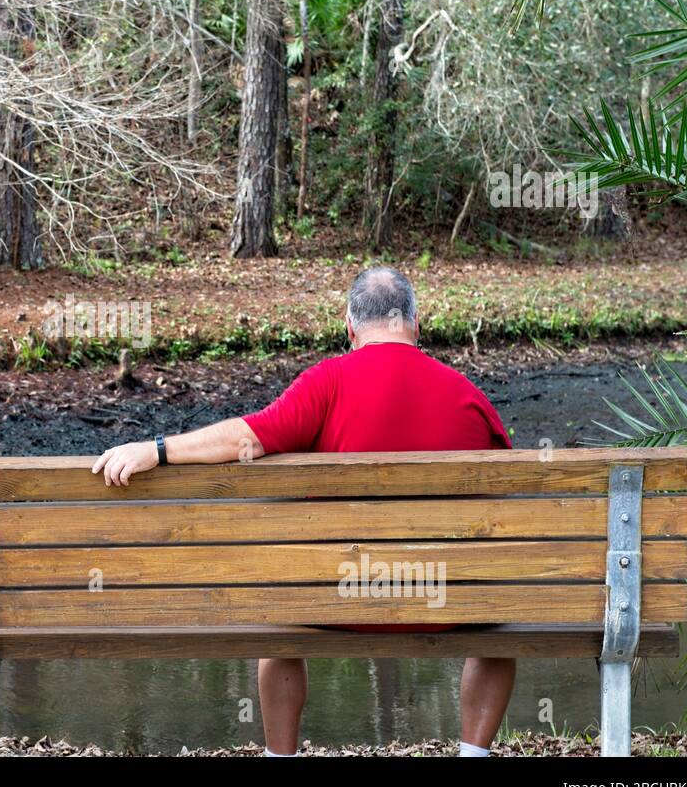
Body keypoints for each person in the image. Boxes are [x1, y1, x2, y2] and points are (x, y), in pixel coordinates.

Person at [91, 266, 515, 757]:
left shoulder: (328, 383)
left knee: (282, 622)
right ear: (416, 325)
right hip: (445, 600)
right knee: (496, 622)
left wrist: (158, 449)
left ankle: (280, 756)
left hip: (339, 600)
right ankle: (473, 753)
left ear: (350, 326)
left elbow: (246, 437)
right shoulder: (467, 396)